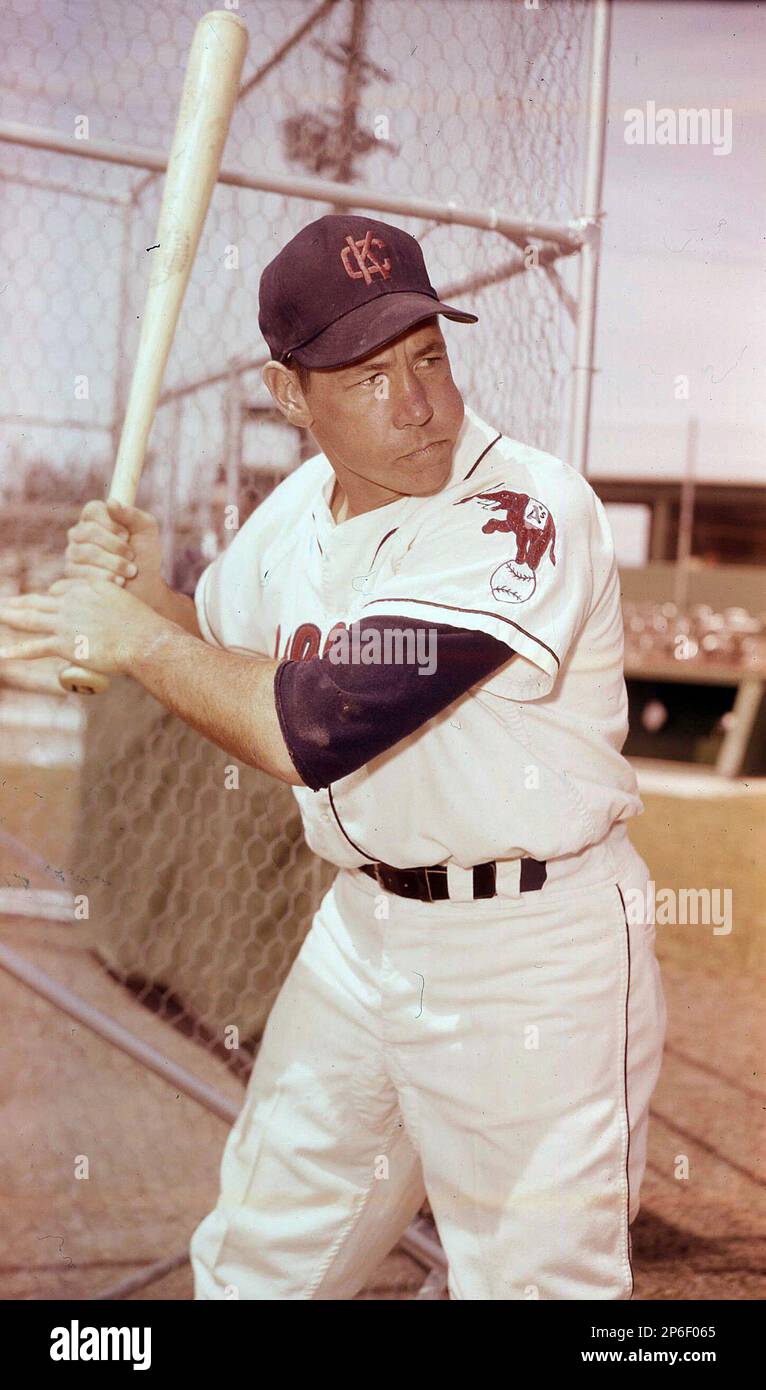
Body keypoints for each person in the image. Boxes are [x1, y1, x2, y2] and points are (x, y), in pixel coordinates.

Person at [0, 214, 667, 1300]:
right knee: (261, 1261)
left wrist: (134, 636)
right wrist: (137, 584)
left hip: (532, 954)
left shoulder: (521, 509)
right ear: (287, 393)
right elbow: (211, 644)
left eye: (428, 357)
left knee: (536, 1287)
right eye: (365, 376)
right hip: (363, 932)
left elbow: (313, 725)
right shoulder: (300, 509)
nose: (418, 405)